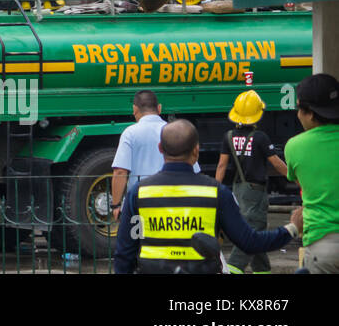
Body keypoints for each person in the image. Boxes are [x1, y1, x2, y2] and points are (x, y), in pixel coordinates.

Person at [113, 119, 302, 274]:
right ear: (196, 150)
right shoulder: (216, 193)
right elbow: (250, 242)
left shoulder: (138, 192)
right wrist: (292, 228)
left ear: (160, 148)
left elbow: (124, 254)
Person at [214, 90, 288, 274]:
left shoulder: (228, 136)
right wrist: (295, 176)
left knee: (256, 229)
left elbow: (222, 165)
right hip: (256, 190)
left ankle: (261, 269)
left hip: (238, 188)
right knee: (254, 228)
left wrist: (214, 189)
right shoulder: (261, 137)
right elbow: (276, 163)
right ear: (257, 115)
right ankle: (234, 265)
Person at [111, 90, 200, 218]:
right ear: (159, 108)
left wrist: (116, 205)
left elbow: (120, 171)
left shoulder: (130, 133)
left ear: (134, 109)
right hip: (173, 202)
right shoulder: (174, 131)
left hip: (140, 202)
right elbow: (193, 169)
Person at [283, 73, 339, 273]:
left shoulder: (294, 147)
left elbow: (303, 184)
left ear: (312, 113)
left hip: (322, 246)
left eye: (300, 109)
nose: (298, 115)